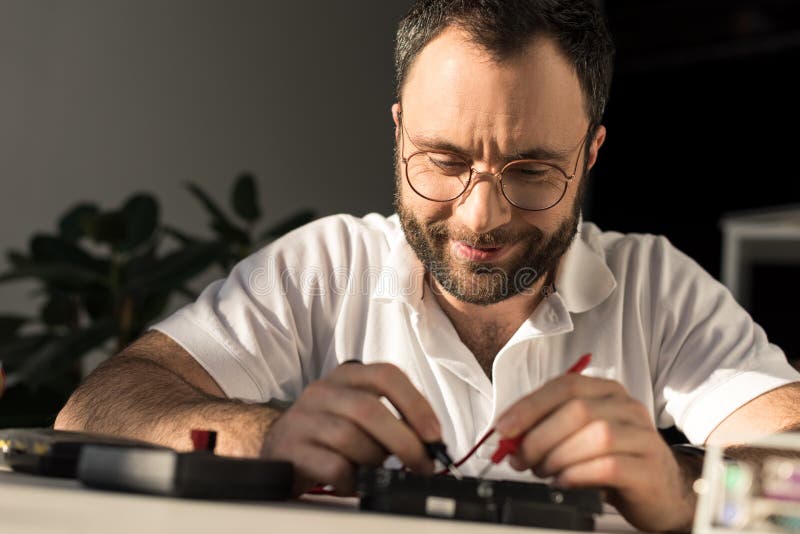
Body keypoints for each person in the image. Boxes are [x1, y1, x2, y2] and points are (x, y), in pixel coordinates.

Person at [55, 1, 800, 531]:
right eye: (442, 162)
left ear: (591, 154)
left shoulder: (656, 290)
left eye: (534, 170)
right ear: (399, 132)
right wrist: (267, 438)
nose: (481, 217)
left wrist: (679, 486)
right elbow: (95, 408)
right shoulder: (323, 265)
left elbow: (793, 466)